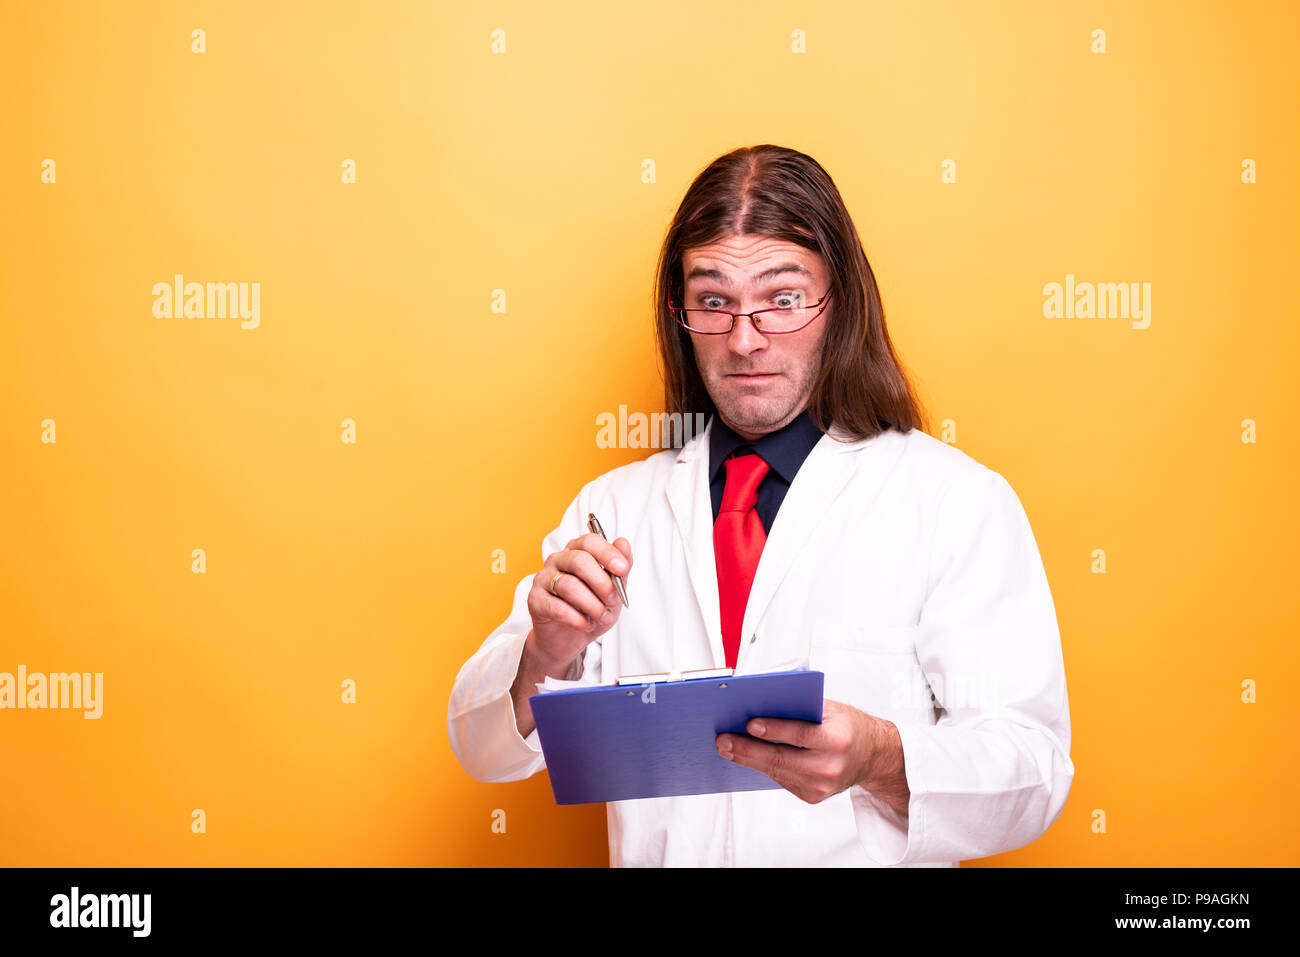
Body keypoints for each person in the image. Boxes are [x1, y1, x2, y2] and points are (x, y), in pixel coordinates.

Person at [447, 144, 1074, 867]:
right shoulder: (614, 510)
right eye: (714, 301)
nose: (745, 341)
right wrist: (543, 653)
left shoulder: (952, 500)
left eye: (781, 298)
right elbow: (484, 749)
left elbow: (1035, 769)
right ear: (680, 311)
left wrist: (882, 755)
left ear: (841, 302)